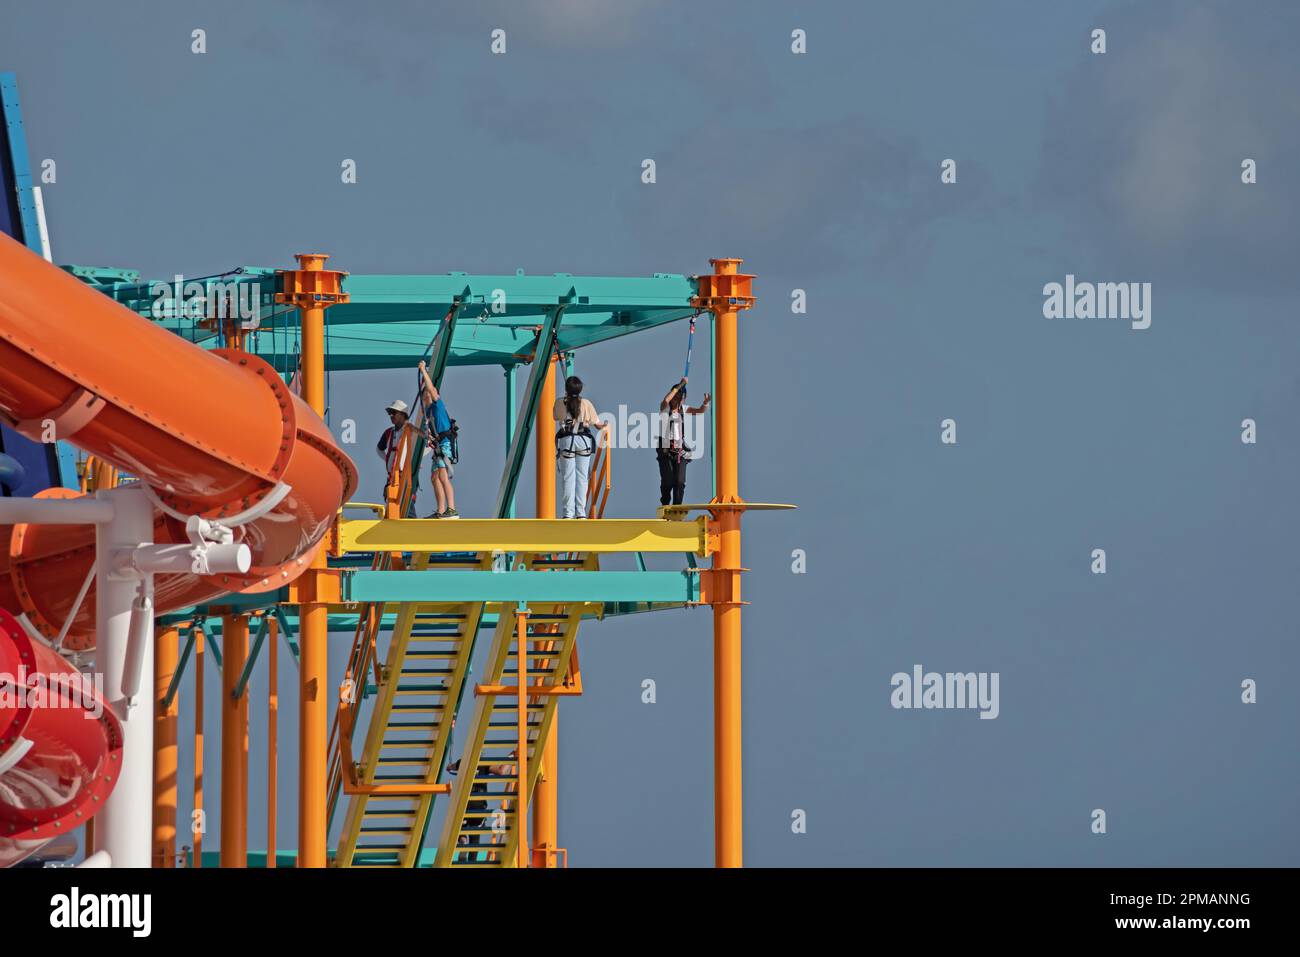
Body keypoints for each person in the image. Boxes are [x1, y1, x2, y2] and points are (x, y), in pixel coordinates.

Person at [656, 377, 710, 507]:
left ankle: (677, 507)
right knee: (668, 482)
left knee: (679, 481)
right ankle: (665, 504)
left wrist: (706, 403)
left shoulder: (683, 409)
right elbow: (666, 399)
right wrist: (680, 385)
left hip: (679, 452)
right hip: (665, 451)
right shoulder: (665, 408)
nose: (678, 400)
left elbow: (700, 411)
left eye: (681, 397)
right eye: (676, 396)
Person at [553, 375, 602, 519]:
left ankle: (568, 513)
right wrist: (606, 427)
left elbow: (555, 417)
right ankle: (581, 513)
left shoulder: (559, 402)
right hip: (583, 441)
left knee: (568, 477)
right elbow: (597, 425)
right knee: (582, 478)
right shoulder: (586, 403)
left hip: (567, 441)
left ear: (566, 389)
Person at [418, 361, 459, 519]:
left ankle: (452, 508)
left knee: (442, 475)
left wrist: (423, 371)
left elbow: (433, 390)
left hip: (445, 444)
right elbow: (427, 436)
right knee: (434, 477)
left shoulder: (437, 405)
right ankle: (441, 510)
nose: (426, 395)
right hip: (437, 446)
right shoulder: (428, 413)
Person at [375, 398, 417, 501]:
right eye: (390, 413)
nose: (391, 415)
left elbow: (426, 446)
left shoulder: (412, 431)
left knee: (407, 507)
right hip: (392, 477)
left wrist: (415, 460)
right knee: (392, 507)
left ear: (403, 414)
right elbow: (379, 449)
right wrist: (388, 459)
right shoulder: (388, 432)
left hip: (406, 476)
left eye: (393, 412)